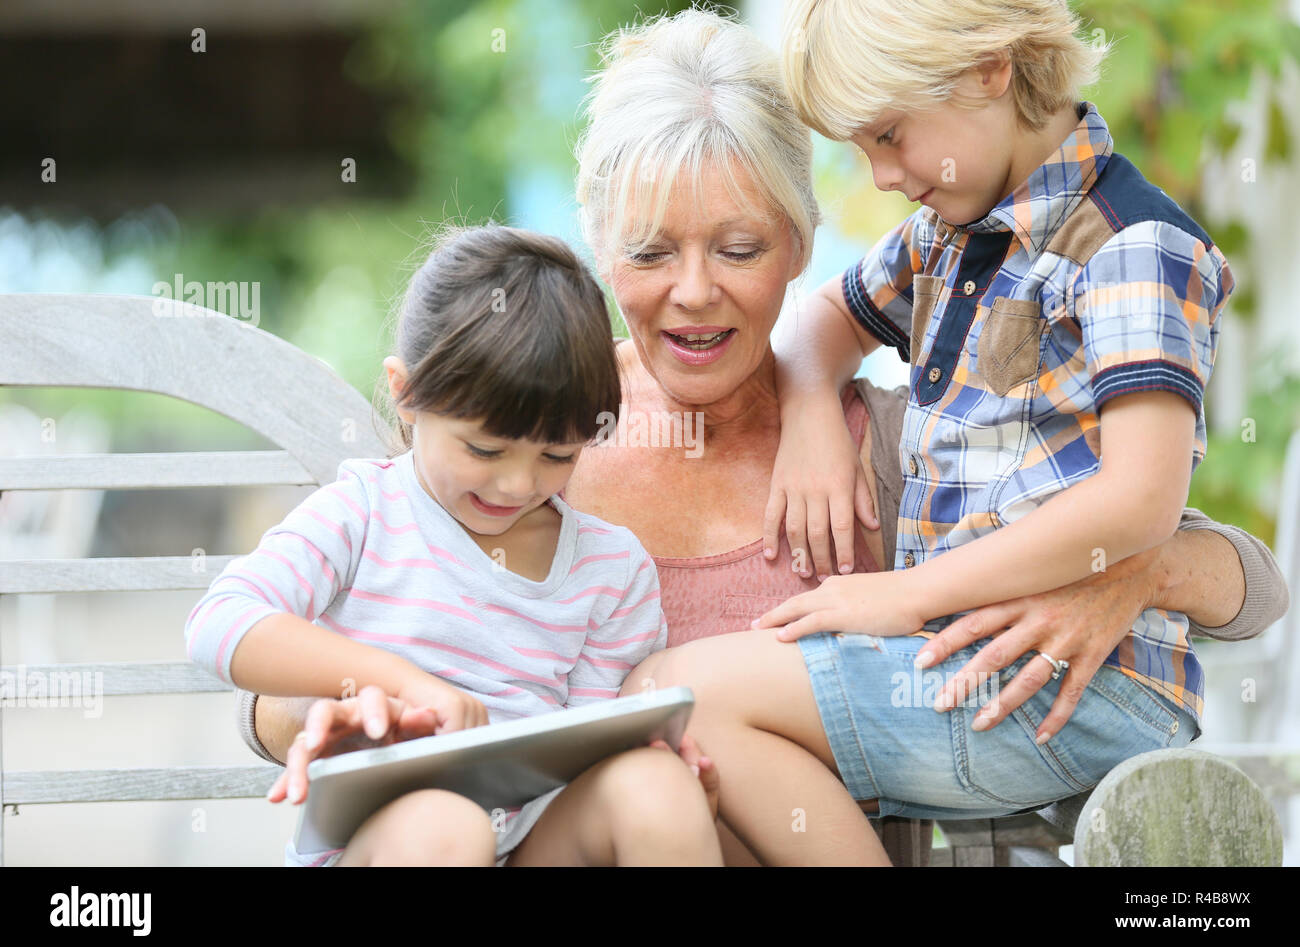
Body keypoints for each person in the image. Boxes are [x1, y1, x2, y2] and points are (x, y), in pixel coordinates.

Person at [236, 8, 1289, 865]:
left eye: (739, 247)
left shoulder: (889, 444)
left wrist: (1137, 572)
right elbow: (306, 661)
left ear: (798, 241)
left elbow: (1250, 583)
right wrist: (331, 710)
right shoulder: (521, 427)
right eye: (650, 251)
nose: (693, 293)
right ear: (599, 244)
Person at [185, 224, 723, 867]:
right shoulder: (365, 513)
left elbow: (583, 755)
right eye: (485, 449)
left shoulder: (610, 570)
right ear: (406, 395)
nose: (518, 483)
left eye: (558, 454)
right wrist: (403, 684)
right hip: (399, 844)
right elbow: (218, 624)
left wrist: (664, 779)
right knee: (447, 826)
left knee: (654, 788)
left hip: (531, 842)